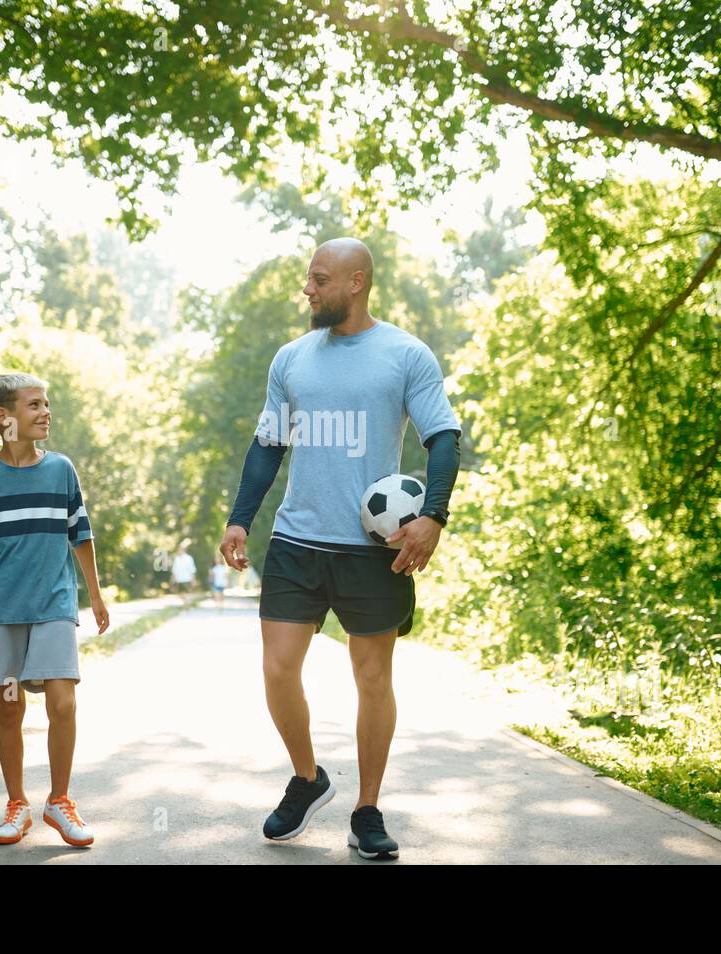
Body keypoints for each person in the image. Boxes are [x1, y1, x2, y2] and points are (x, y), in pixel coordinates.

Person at [219, 238, 462, 860]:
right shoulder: (291, 359)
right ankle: (307, 778)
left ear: (356, 282)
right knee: (277, 670)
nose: (308, 289)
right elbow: (267, 446)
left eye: (320, 280)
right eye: (309, 278)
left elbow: (442, 438)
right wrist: (241, 519)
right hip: (298, 540)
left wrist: (432, 516)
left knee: (373, 678)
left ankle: (367, 810)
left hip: (369, 551)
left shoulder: (405, 355)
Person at [0, 372, 110, 848]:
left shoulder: (61, 470)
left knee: (62, 701)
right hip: (2, 610)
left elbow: (81, 534)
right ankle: (17, 804)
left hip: (54, 603)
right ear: (4, 417)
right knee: (9, 709)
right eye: (34, 405)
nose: (45, 412)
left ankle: (59, 801)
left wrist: (94, 594)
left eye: (46, 403)